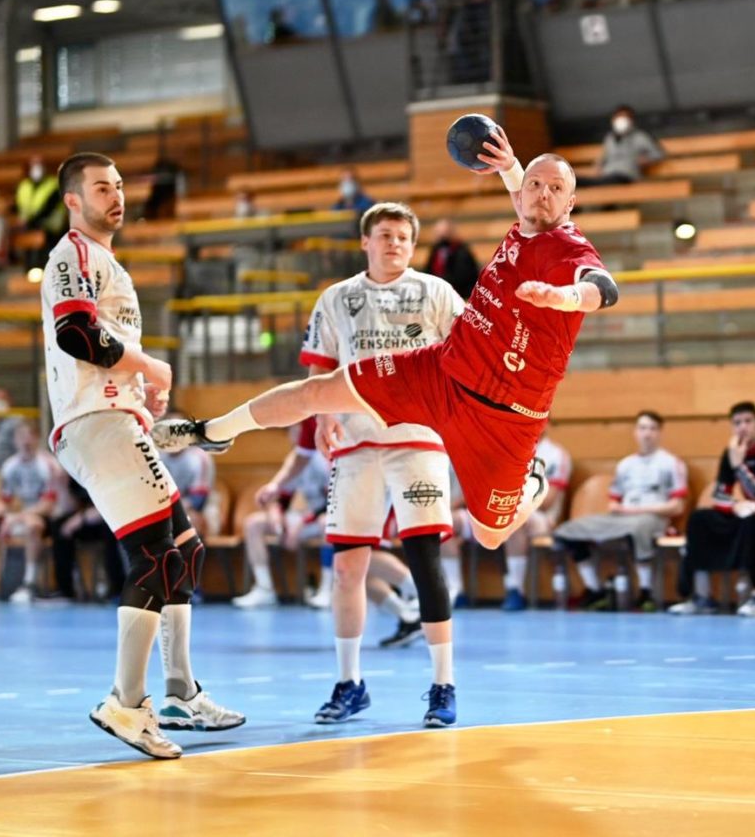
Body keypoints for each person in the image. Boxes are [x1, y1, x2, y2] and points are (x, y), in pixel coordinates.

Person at [154, 126, 618, 568]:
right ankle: (213, 429)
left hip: (504, 415)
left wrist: (564, 297)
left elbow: (604, 287)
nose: (540, 193)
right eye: (533, 184)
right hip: (442, 371)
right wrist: (510, 166)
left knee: (490, 535)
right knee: (319, 392)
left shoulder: (566, 247)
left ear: (571, 202)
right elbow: (528, 198)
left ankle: (530, 484)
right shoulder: (526, 220)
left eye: (554, 189)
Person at [41, 152, 243, 759]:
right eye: (102, 187)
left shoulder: (106, 261)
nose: (116, 195)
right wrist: (150, 366)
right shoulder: (71, 255)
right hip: (93, 424)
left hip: (118, 420)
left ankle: (179, 691)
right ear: (73, 200)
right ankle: (126, 705)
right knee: (155, 559)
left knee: (184, 551)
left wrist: (155, 411)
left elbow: (106, 356)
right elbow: (76, 333)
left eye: (120, 186)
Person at [294, 201, 465, 727]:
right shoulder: (336, 299)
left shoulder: (437, 292)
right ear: (365, 242)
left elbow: (467, 357)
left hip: (418, 440)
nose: (394, 244)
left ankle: (443, 685)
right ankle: (350, 683)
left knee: (424, 559)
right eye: (385, 235)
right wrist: (322, 418)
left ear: (413, 247)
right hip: (356, 443)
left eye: (403, 238)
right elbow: (319, 370)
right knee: (347, 567)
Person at [668, 401, 755, 617]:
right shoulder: (731, 452)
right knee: (700, 519)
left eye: (748, 421)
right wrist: (735, 506)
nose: (743, 427)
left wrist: (740, 466)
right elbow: (719, 494)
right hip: (748, 512)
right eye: (737, 423)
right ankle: (701, 596)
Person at [554, 410, 689, 611]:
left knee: (637, 529)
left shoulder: (671, 464)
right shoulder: (626, 465)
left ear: (660, 433)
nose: (647, 434)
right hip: (622, 516)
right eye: (643, 428)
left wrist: (641, 510)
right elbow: (614, 502)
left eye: (652, 428)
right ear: (636, 432)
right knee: (568, 531)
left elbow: (677, 506)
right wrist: (621, 509)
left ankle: (645, 593)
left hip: (653, 516)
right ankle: (595, 589)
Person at [231, 419, 330, 609]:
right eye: (292, 429)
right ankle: (265, 588)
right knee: (254, 523)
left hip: (325, 516)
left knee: (327, 523)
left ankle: (328, 590)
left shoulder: (324, 457)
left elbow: (334, 501)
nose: (295, 433)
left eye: (299, 428)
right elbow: (282, 498)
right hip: (303, 519)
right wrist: (276, 514)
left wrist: (302, 522)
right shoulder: (295, 458)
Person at [498, 427, 570, 611]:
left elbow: (547, 500)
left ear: (548, 423)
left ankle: (515, 589)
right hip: (512, 510)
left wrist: (514, 502)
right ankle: (456, 591)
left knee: (516, 519)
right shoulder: (514, 450)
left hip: (544, 518)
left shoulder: (557, 455)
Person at [0, 422, 61, 603]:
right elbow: (5, 500)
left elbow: (49, 504)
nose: (25, 442)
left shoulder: (48, 464)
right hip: (19, 516)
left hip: (48, 519)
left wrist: (16, 518)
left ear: (36, 439)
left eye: (28, 437)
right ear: (15, 441)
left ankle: (29, 584)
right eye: (21, 437)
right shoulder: (10, 466)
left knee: (32, 524)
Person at [50, 478, 125, 602]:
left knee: (110, 529)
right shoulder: (76, 473)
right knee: (60, 525)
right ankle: (65, 591)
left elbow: (113, 504)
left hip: (112, 517)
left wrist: (82, 518)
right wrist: (61, 486)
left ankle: (117, 589)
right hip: (89, 521)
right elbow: (69, 506)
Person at [578, 105, 665, 187]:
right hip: (607, 175)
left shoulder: (640, 137)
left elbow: (658, 154)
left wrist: (647, 159)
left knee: (606, 183)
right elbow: (604, 157)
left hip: (626, 176)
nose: (622, 119)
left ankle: (586, 183)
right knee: (578, 185)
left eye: (626, 117)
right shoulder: (609, 138)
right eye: (619, 116)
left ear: (631, 120)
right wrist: (599, 165)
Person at [17, 154, 66, 269]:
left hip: (51, 228)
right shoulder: (23, 186)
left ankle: (44, 268)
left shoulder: (54, 184)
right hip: (30, 226)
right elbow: (19, 207)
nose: (37, 168)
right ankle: (28, 269)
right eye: (34, 164)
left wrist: (30, 221)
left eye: (39, 164)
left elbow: (48, 208)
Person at [425, 218, 480, 300]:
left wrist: (438, 284)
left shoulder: (461, 251)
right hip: (440, 291)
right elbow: (428, 270)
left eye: (439, 232)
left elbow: (461, 277)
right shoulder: (437, 249)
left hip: (460, 295)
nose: (436, 235)